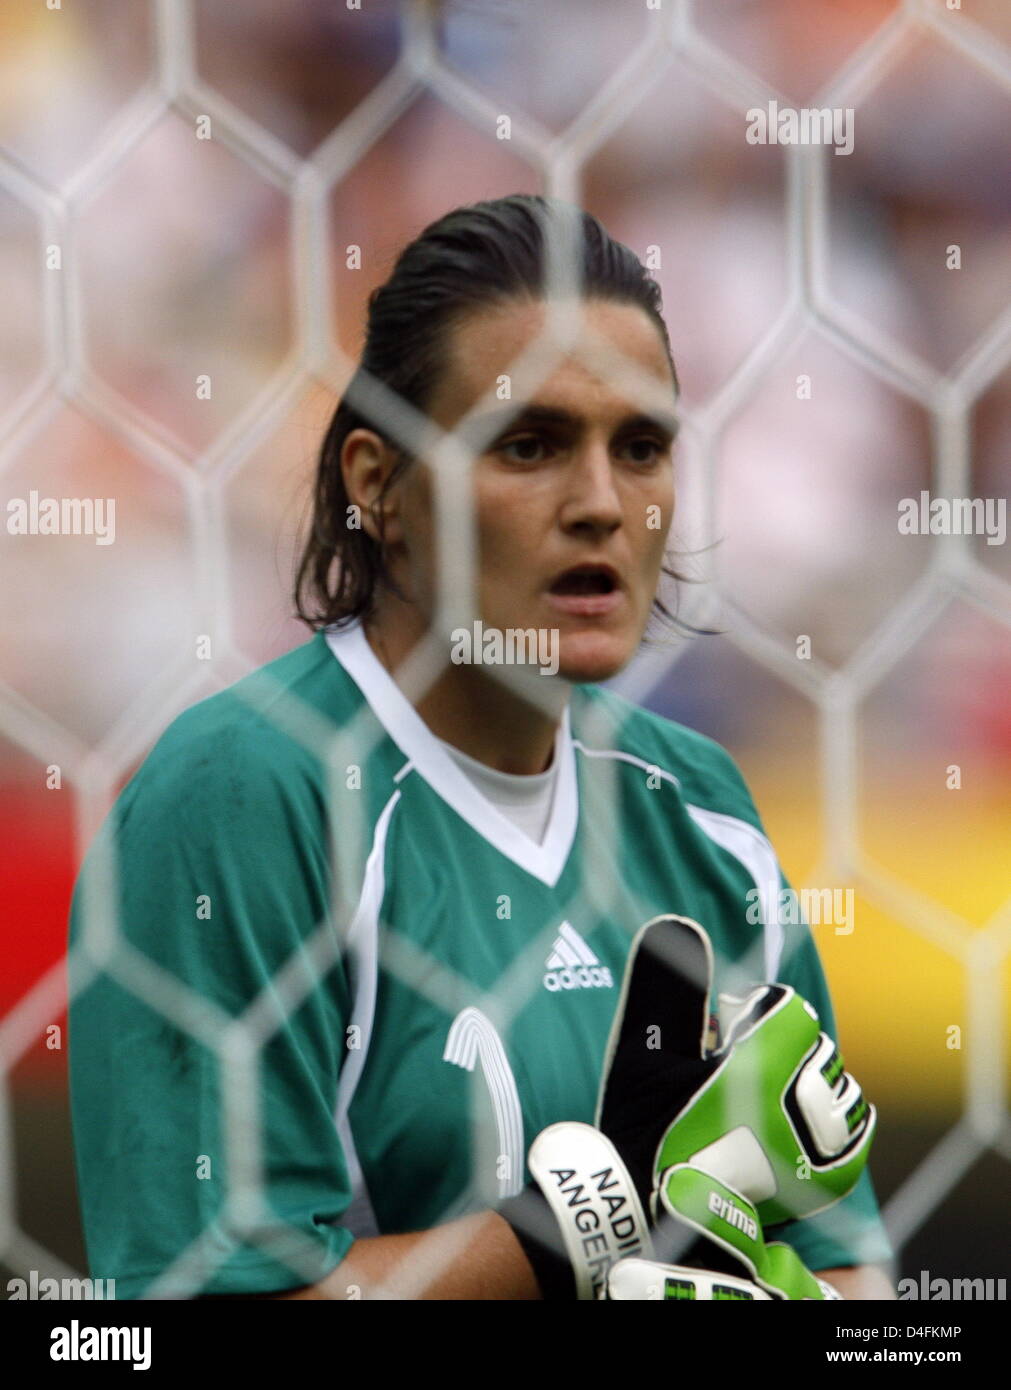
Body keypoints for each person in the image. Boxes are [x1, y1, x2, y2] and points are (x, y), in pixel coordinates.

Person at [68, 194, 894, 1300]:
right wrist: (572, 1233)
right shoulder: (242, 798)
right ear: (379, 485)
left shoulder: (705, 815)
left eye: (641, 445)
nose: (602, 502)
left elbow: (848, 1269)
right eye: (531, 444)